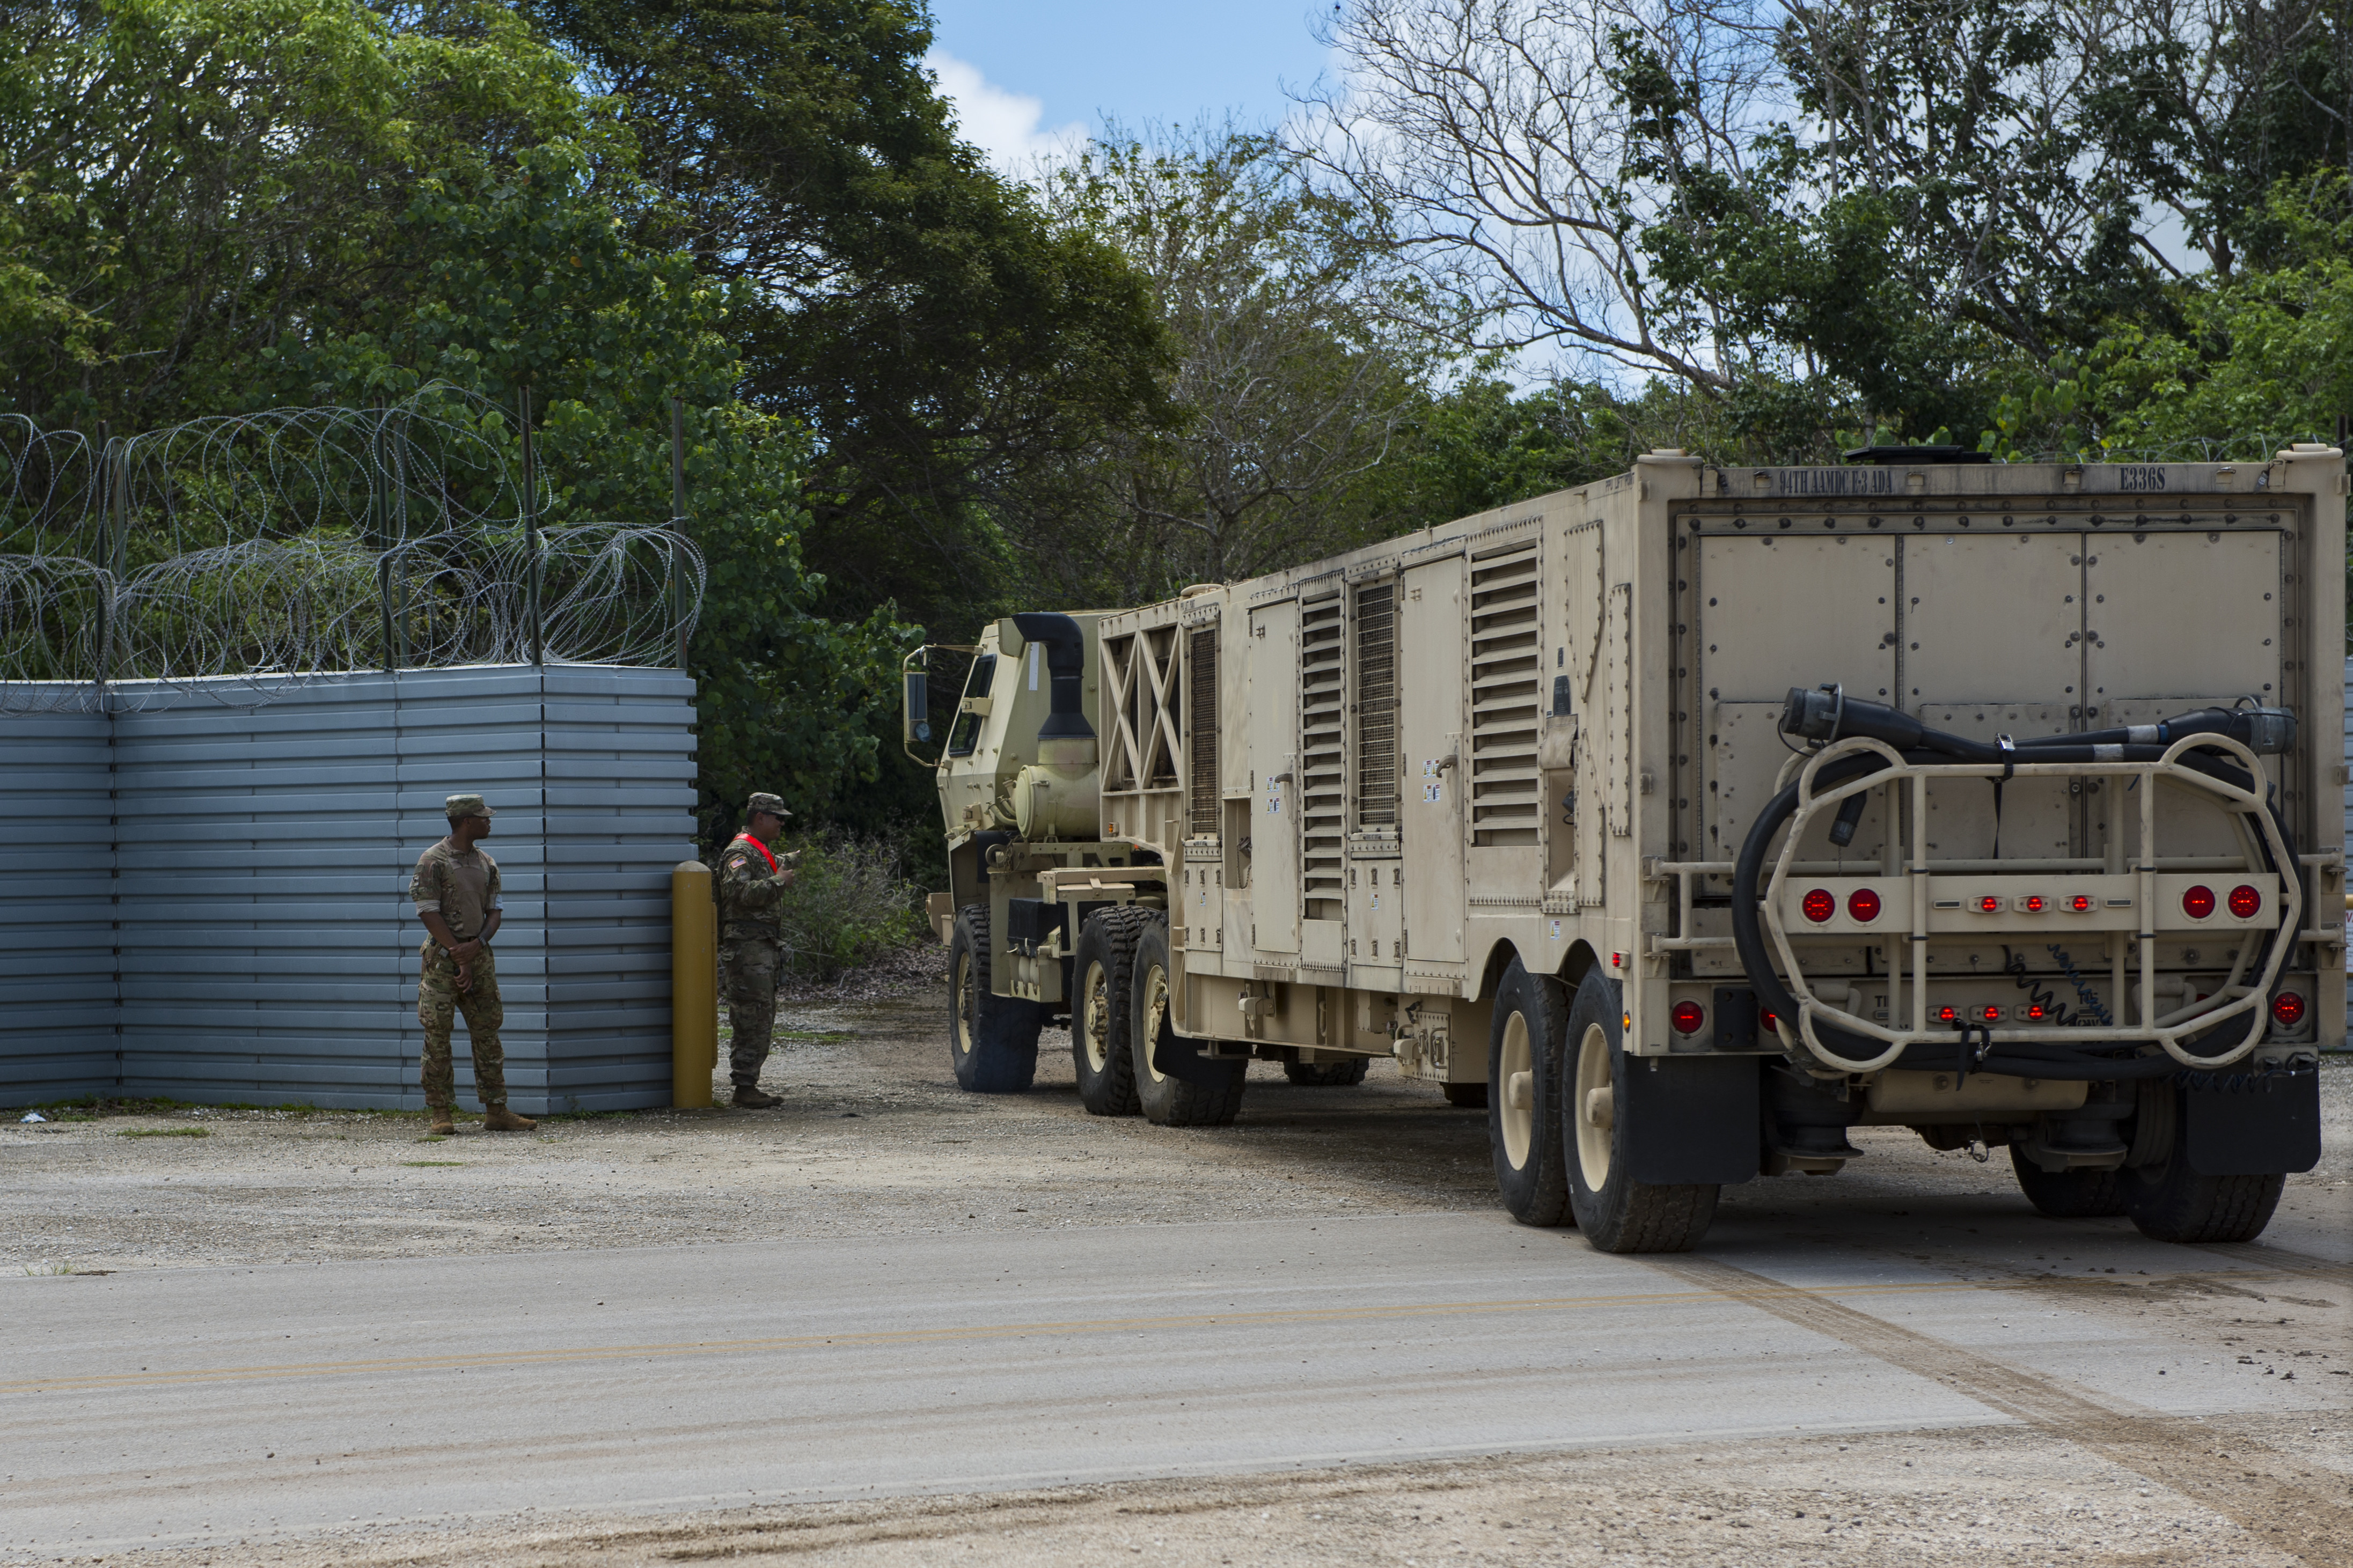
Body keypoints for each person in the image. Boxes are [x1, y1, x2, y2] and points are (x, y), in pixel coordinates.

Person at [408, 794, 535, 1136]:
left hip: (478, 958)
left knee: (488, 1033)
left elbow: (495, 912)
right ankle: (440, 1113)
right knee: (437, 1034)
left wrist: (476, 946)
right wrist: (456, 951)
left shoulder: (487, 863)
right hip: (441, 961)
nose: (489, 822)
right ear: (467, 822)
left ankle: (497, 1110)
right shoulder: (432, 861)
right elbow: (427, 911)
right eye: (483, 817)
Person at [717, 791, 799, 1108]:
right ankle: (744, 1086)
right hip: (747, 948)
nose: (781, 823)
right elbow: (738, 893)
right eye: (778, 817)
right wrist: (779, 882)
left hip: (760, 947)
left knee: (761, 1014)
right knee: (751, 1015)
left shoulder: (757, 851)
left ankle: (748, 1085)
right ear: (760, 818)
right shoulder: (740, 852)